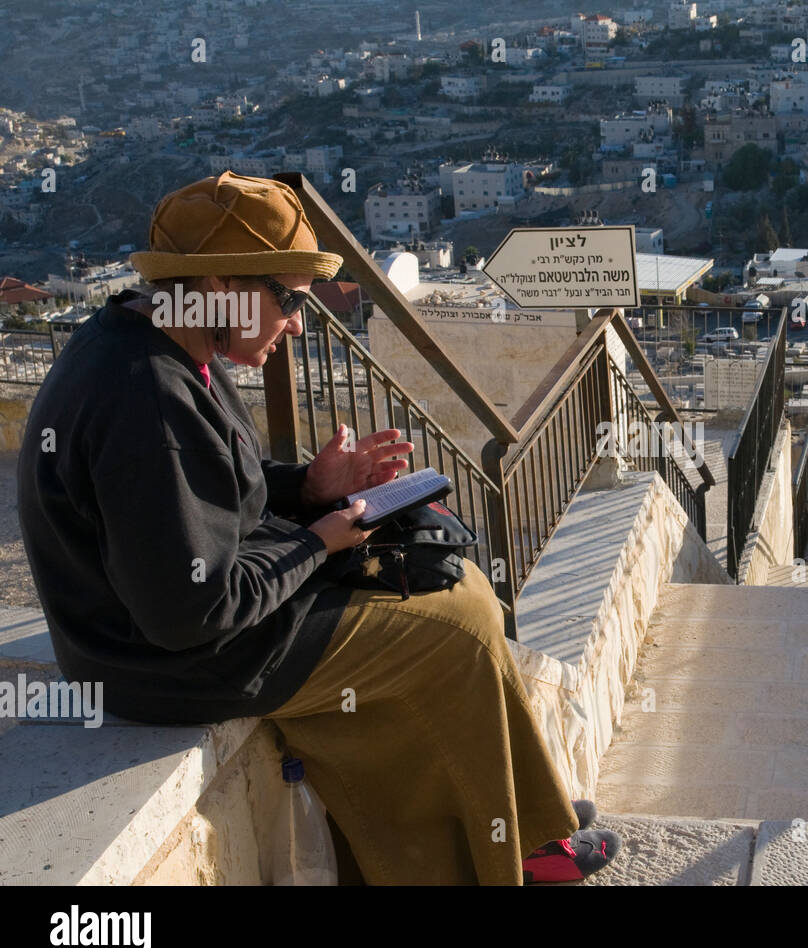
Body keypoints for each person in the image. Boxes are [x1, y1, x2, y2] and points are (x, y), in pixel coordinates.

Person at [16, 171, 620, 885]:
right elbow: (193, 609)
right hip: (169, 662)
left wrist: (308, 487)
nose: (299, 323)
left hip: (152, 636)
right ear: (219, 285)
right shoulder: (151, 397)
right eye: (290, 299)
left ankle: (518, 823)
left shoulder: (159, 340)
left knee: (459, 594)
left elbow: (204, 494)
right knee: (457, 626)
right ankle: (514, 852)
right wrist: (320, 539)